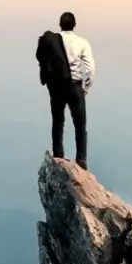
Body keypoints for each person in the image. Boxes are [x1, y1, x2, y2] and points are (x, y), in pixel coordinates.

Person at [35, 12, 97, 168]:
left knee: (58, 120)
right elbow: (90, 69)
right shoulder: (82, 42)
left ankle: (58, 154)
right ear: (74, 24)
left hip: (55, 86)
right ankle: (81, 159)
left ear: (60, 24)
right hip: (74, 85)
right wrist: (86, 87)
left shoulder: (52, 41)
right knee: (80, 124)